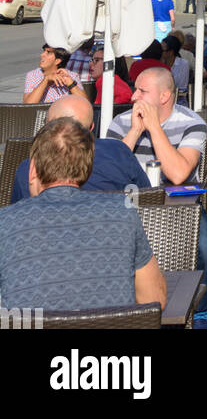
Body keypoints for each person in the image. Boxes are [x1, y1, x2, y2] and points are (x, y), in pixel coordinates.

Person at [0, 117, 166, 312]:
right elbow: (155, 300)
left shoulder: (6, 222)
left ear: (33, 169)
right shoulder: (121, 212)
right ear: (87, 170)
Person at [108, 64, 207, 328]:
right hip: (130, 204)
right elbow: (111, 170)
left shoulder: (192, 122)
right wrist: (135, 131)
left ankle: (201, 308)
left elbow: (179, 173)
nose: (133, 96)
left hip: (180, 207)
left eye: (141, 91)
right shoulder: (121, 122)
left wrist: (154, 128)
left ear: (164, 97)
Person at [10, 94, 149, 203]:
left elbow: (18, 215)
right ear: (91, 128)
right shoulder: (119, 151)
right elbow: (146, 197)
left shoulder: (29, 168)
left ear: (47, 126)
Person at [23, 44, 87, 105]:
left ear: (57, 61)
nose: (42, 55)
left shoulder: (72, 76)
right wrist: (45, 80)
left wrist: (70, 83)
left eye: (48, 52)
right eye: (44, 51)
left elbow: (86, 104)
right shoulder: (33, 75)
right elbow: (27, 106)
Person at [162, 35, 190, 103]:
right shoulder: (159, 64)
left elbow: (182, 87)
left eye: (162, 50)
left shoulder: (183, 64)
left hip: (178, 101)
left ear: (171, 52)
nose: (160, 52)